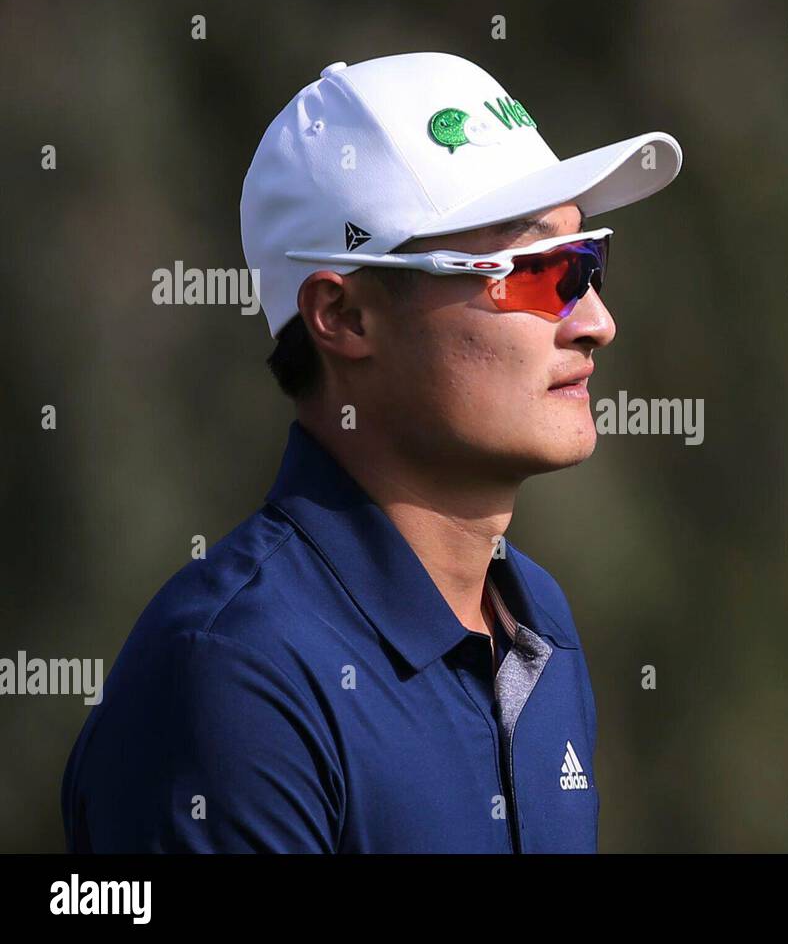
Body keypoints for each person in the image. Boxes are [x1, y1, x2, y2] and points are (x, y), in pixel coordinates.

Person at [60, 52, 683, 852]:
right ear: (344, 315)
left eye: (585, 261)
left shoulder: (538, 622)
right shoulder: (231, 676)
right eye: (531, 272)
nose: (595, 319)